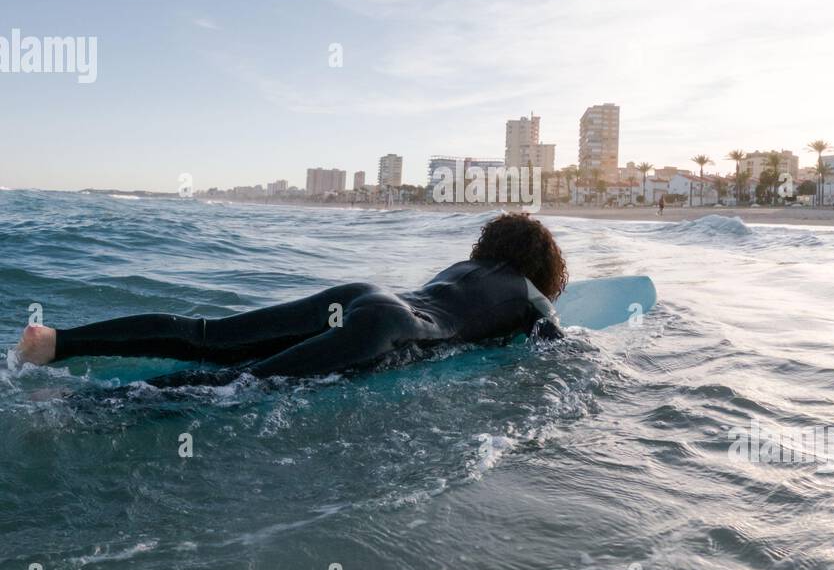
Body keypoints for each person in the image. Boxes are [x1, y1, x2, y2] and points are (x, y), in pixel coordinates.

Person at [15, 212, 566, 388]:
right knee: (241, 383)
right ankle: (80, 408)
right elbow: (551, 353)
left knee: (209, 337)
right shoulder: (531, 298)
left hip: (363, 294)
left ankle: (55, 342)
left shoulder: (465, 266)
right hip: (389, 330)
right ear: (543, 269)